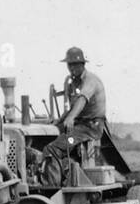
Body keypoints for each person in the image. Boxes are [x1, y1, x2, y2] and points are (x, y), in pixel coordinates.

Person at [40, 47, 107, 187]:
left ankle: (50, 187)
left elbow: (82, 100)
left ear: (83, 64)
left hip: (90, 128)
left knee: (52, 148)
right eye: (70, 65)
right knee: (49, 138)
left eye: (75, 65)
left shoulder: (90, 81)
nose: (72, 68)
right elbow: (72, 107)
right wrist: (59, 121)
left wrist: (70, 118)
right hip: (80, 124)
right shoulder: (74, 82)